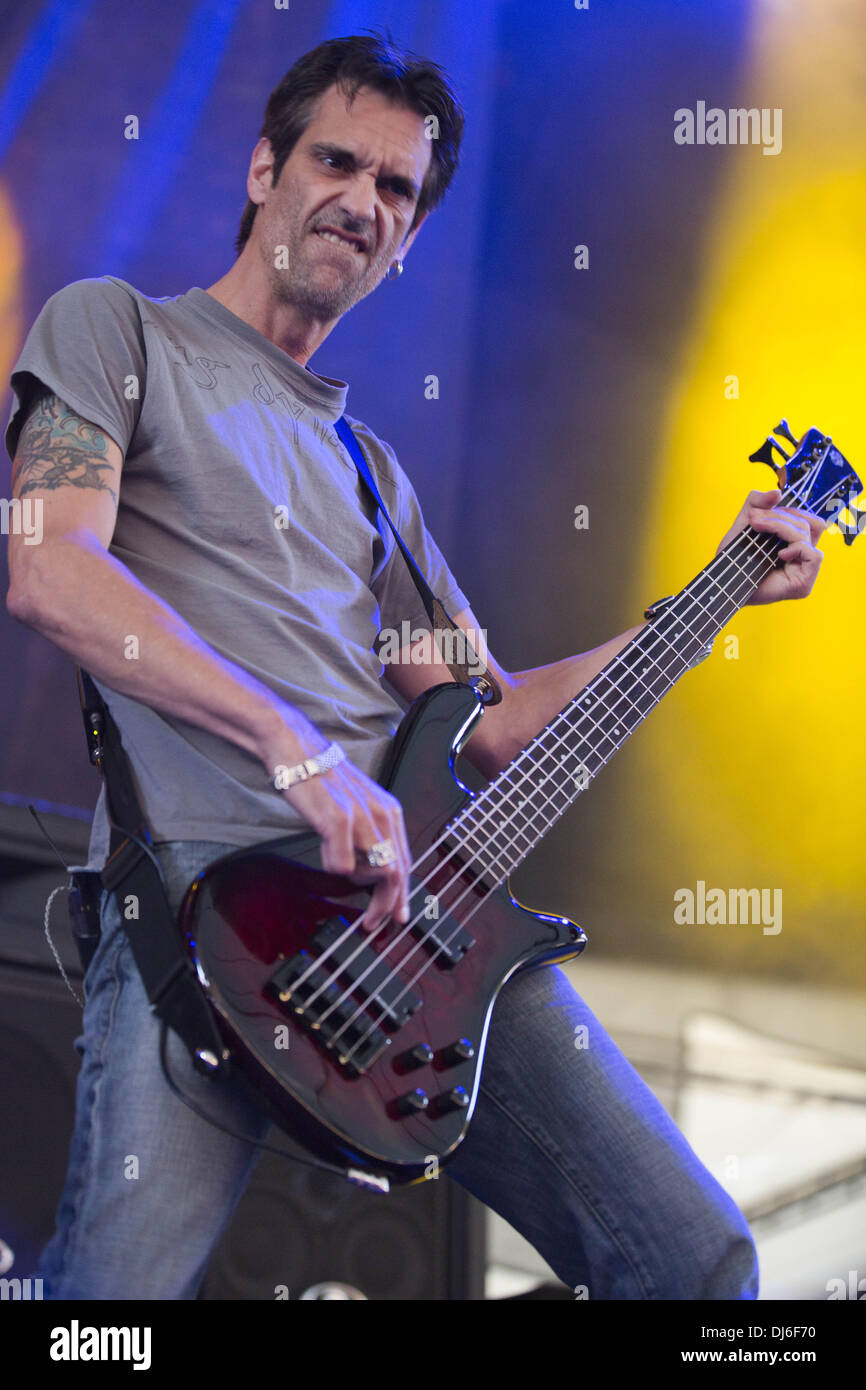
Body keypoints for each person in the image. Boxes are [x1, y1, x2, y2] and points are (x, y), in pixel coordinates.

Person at [5, 34, 824, 1301]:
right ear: (263, 168)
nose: (362, 201)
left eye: (396, 190)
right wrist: (300, 750)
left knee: (696, 1262)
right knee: (99, 1324)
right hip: (204, 922)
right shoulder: (118, 335)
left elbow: (491, 727)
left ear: (408, 242)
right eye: (336, 161)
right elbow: (49, 567)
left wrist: (705, 596)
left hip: (416, 940)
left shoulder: (372, 481)